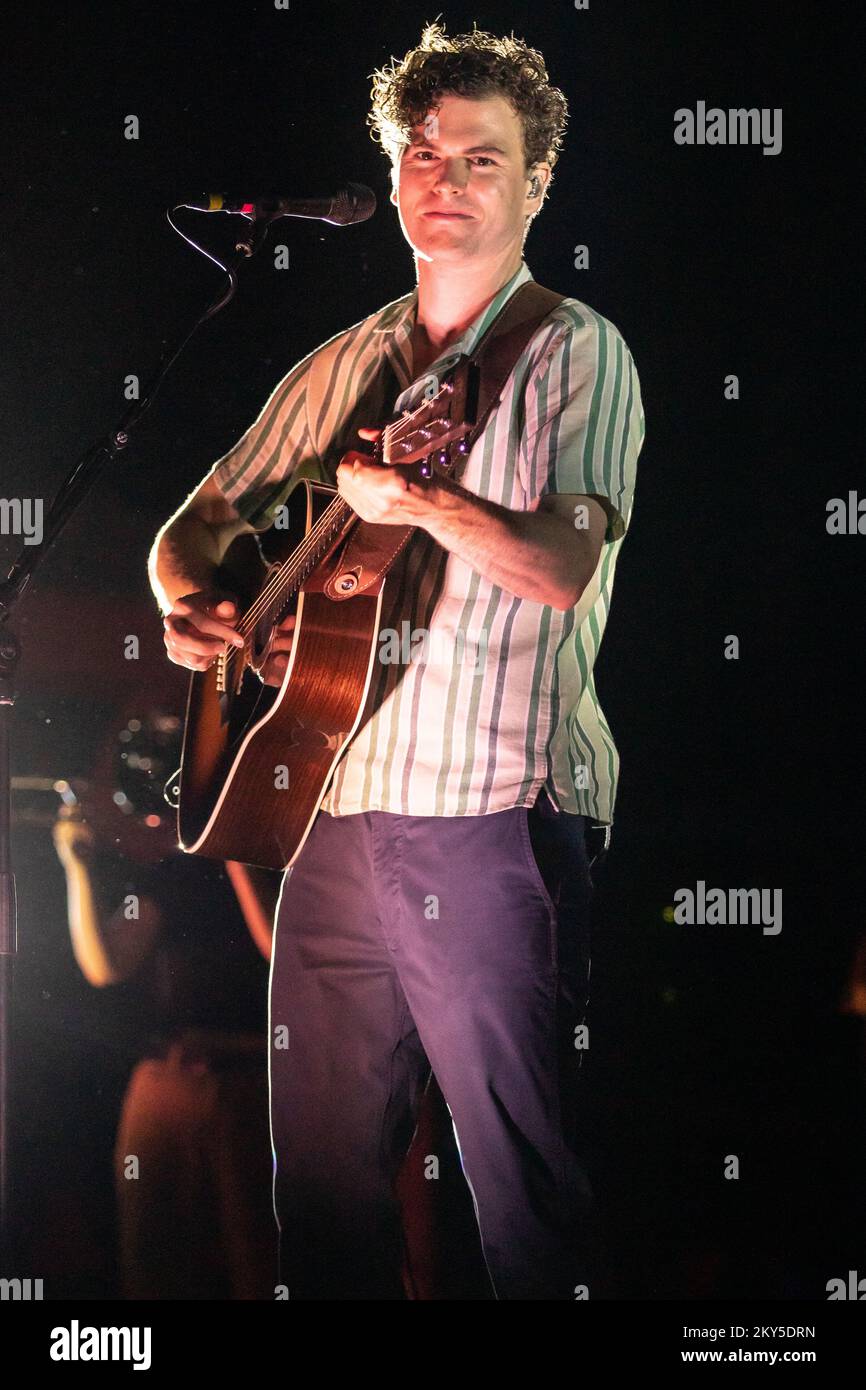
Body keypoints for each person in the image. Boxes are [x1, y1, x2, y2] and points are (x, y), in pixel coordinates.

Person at [149, 22, 645, 1299]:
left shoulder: (573, 348)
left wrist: (421, 505)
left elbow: (560, 564)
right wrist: (196, 608)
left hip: (493, 815)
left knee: (521, 1196)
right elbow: (193, 526)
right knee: (313, 1197)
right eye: (423, 150)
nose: (445, 177)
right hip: (332, 811)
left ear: (536, 184)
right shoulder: (350, 360)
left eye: (483, 159)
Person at [52, 711, 280, 1299]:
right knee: (153, 1262)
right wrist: (77, 869)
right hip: (172, 1074)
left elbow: (277, 947)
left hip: (252, 1080)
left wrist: (233, 842)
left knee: (258, 1258)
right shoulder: (171, 875)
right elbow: (106, 965)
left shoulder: (268, 853)